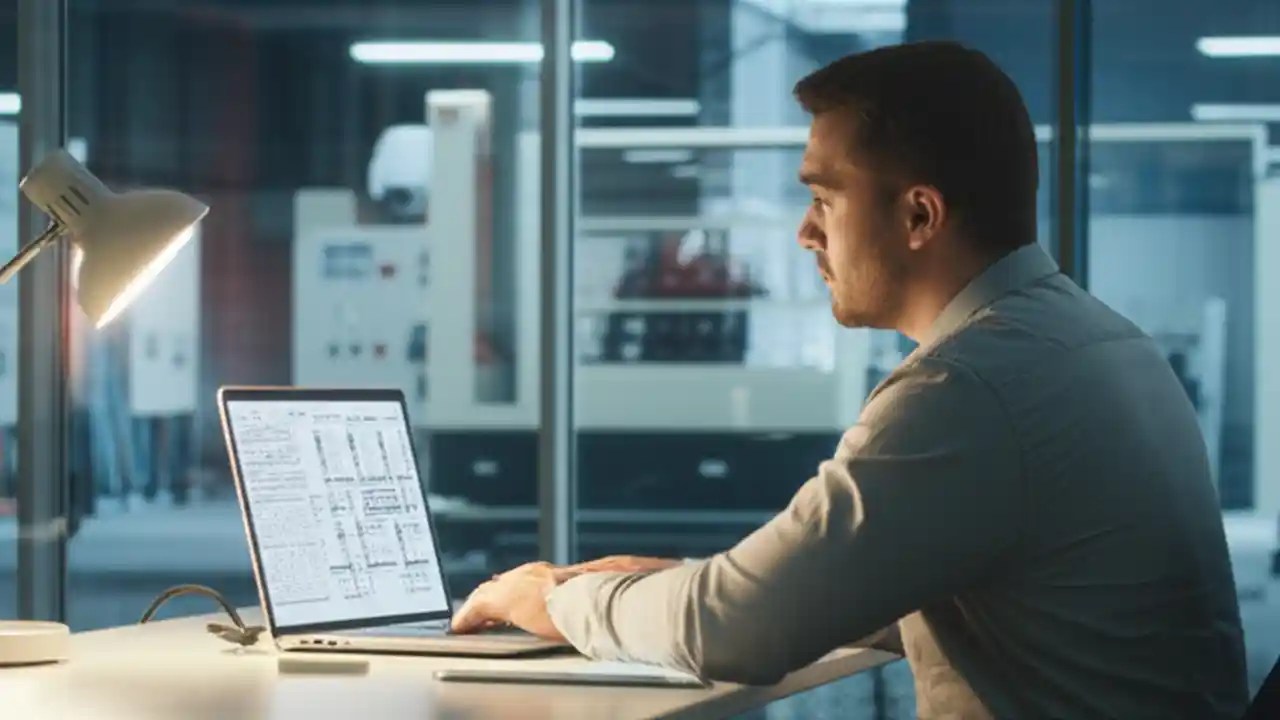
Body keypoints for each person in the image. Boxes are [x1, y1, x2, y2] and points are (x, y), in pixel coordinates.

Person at [452, 41, 1249, 718]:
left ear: (919, 217)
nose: (805, 233)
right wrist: (696, 587)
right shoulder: (1103, 344)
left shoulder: (967, 387)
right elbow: (1003, 597)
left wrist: (556, 602)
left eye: (824, 198)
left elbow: (737, 631)